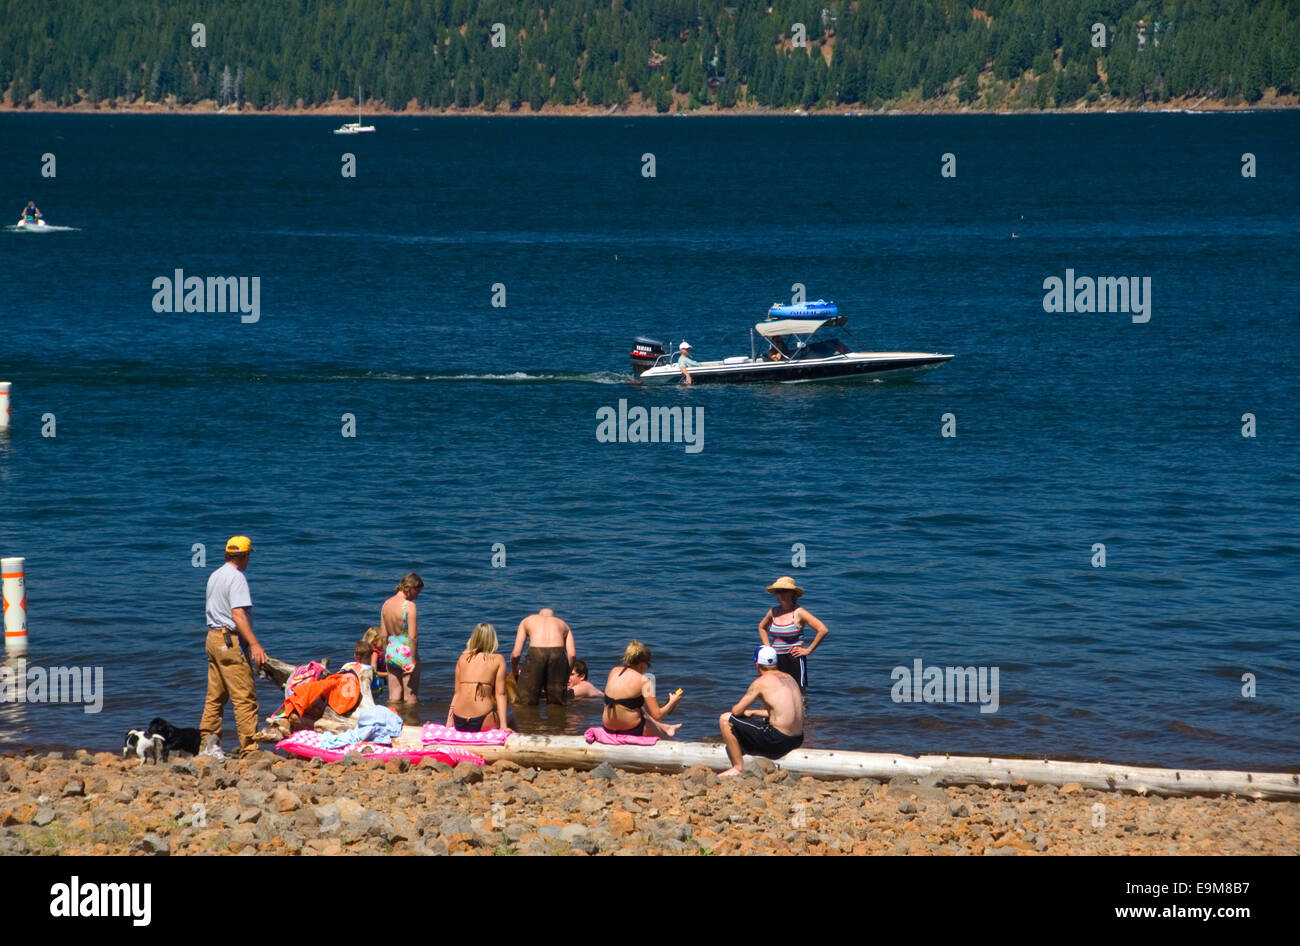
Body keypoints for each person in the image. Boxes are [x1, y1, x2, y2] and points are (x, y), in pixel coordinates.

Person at [199, 536, 267, 757]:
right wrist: (255, 644)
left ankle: (208, 743)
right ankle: (250, 748)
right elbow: (237, 613)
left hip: (213, 638)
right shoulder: (237, 578)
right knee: (244, 696)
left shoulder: (215, 575)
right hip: (229, 641)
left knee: (215, 696)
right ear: (245, 555)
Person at [718, 646, 804, 777]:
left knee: (725, 719)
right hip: (798, 739)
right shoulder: (790, 678)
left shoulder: (760, 682)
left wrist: (744, 713)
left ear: (757, 664)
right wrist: (753, 713)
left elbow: (736, 711)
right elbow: (781, 713)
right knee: (761, 721)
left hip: (779, 741)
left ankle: (737, 767)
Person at [758, 576, 828, 691]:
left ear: (792, 593)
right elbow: (761, 627)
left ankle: (804, 709)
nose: (781, 594)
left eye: (784, 591)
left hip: (794, 658)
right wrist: (767, 647)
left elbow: (822, 629)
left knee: (798, 691)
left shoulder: (799, 612)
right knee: (777, 690)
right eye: (778, 591)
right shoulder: (773, 611)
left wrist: (808, 650)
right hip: (776, 658)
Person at [602, 641, 682, 737]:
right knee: (664, 739)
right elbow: (657, 716)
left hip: (608, 726)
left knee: (636, 707)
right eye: (647, 666)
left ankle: (666, 728)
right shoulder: (645, 681)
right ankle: (665, 731)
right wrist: (672, 702)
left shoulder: (614, 671)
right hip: (630, 729)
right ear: (642, 664)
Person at [447, 622, 509, 732]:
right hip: (483, 720)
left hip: (459, 721)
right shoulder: (498, 659)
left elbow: (457, 693)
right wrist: (503, 725)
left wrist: (449, 720)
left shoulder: (462, 658)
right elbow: (500, 694)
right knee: (511, 715)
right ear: (492, 640)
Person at [511, 607, 574, 705]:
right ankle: (557, 718)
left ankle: (527, 719)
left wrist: (514, 670)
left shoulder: (527, 620)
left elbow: (516, 653)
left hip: (536, 653)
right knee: (557, 702)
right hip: (558, 654)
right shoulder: (563, 624)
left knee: (526, 700)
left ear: (539, 614)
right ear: (554, 617)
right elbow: (572, 655)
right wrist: (567, 673)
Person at [380, 573, 423, 705]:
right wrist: (413, 660)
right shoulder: (409, 606)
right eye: (417, 592)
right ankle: (410, 722)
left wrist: (385, 653)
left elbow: (383, 635)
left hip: (391, 650)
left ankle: (393, 721)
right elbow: (412, 636)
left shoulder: (386, 604)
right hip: (406, 653)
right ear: (411, 588)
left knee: (394, 695)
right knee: (410, 696)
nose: (417, 596)